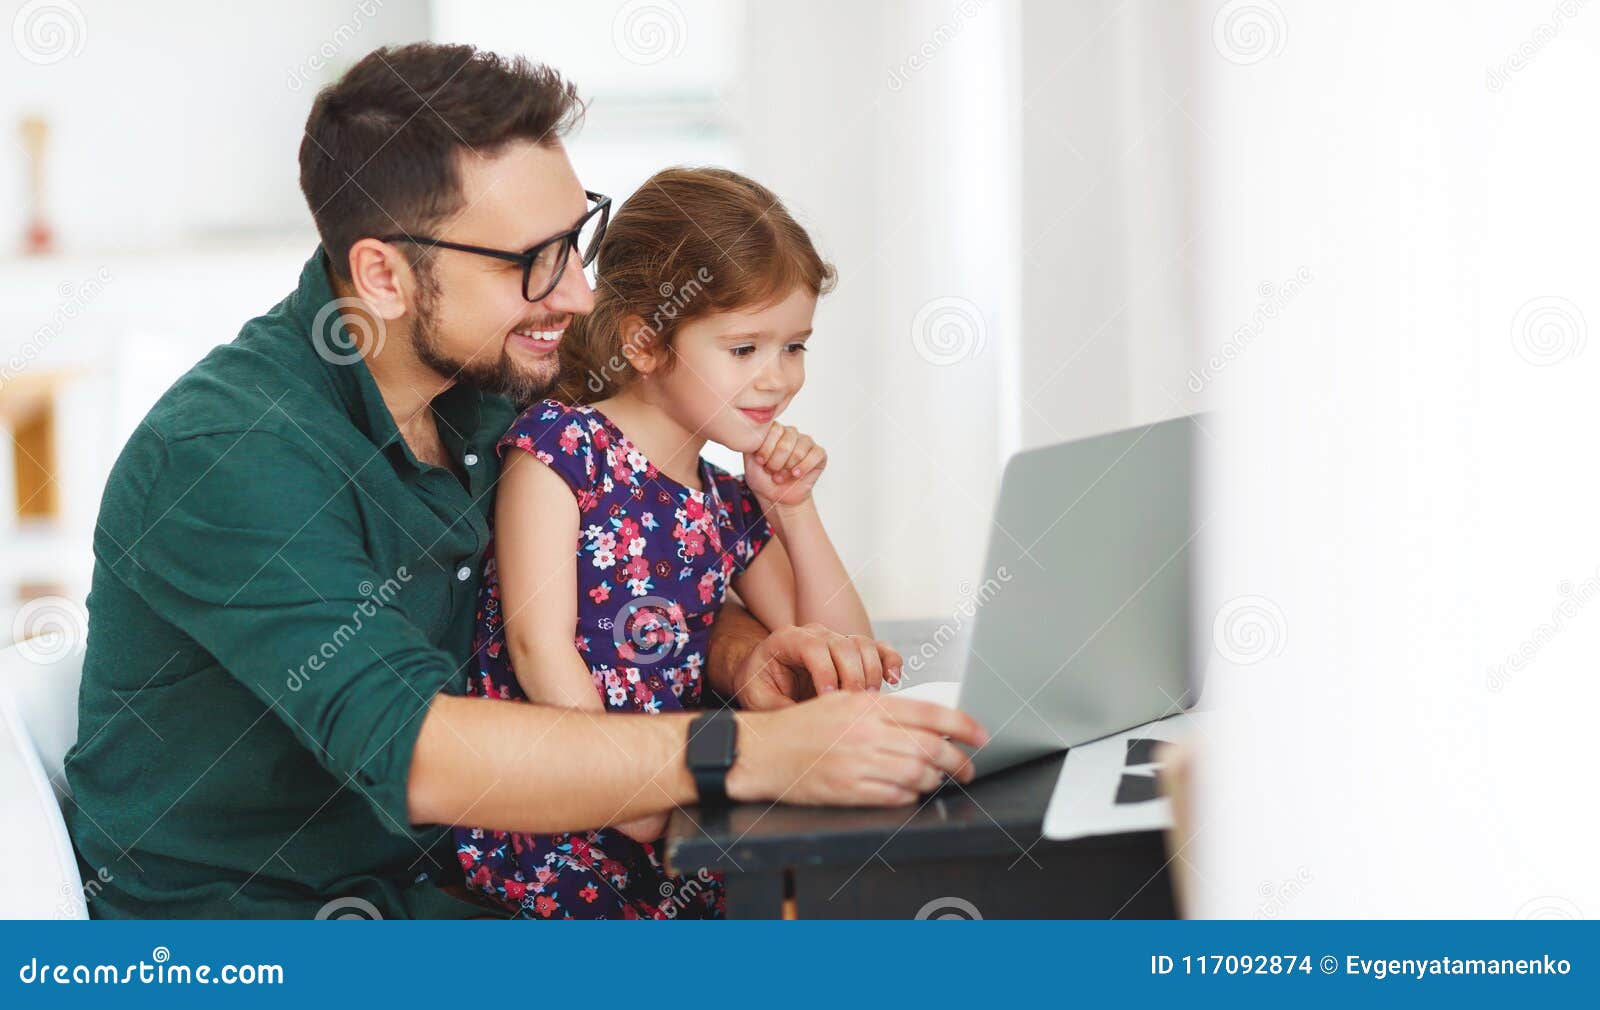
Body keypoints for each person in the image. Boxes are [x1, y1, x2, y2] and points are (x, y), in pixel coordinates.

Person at [63, 43, 984, 919]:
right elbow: (417, 746)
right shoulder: (229, 453)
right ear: (383, 275)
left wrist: (738, 652)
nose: (580, 293)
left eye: (576, 238)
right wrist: (747, 752)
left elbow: (628, 561)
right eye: (531, 263)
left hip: (467, 890)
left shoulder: (495, 393)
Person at [455, 167, 891, 918]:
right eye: (744, 347)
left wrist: (792, 509)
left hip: (677, 826)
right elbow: (537, 648)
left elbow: (842, 659)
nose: (778, 379)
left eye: (794, 347)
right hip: (564, 824)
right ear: (646, 342)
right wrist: (622, 793)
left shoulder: (724, 499)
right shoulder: (564, 447)